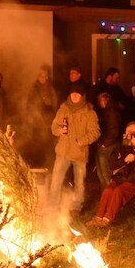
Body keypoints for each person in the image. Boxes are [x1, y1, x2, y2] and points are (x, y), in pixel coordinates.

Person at [49, 82, 100, 216]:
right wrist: (59, 130)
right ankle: (53, 205)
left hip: (79, 153)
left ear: (82, 96)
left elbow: (95, 132)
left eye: (78, 94)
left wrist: (82, 141)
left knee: (79, 182)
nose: (75, 96)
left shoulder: (89, 112)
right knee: (56, 179)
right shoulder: (63, 109)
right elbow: (53, 127)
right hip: (63, 151)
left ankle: (76, 207)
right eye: (73, 93)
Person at [87, 122, 135, 227]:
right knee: (107, 191)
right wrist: (124, 161)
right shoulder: (120, 147)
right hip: (119, 178)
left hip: (134, 180)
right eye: (128, 131)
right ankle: (98, 217)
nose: (129, 134)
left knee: (118, 191)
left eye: (133, 132)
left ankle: (107, 219)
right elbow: (112, 165)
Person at [24, 66, 59, 168]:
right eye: (41, 76)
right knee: (37, 146)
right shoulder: (33, 89)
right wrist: (30, 121)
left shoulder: (50, 89)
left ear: (47, 77)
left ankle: (47, 166)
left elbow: (54, 105)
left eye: (45, 76)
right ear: (38, 76)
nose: (43, 78)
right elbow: (29, 105)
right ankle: (38, 166)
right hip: (36, 124)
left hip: (47, 123)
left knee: (47, 146)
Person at [94, 92, 123, 189]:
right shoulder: (107, 111)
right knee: (101, 172)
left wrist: (104, 143)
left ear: (105, 100)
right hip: (105, 143)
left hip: (109, 145)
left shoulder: (112, 112)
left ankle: (109, 192)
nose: (99, 103)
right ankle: (105, 192)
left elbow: (114, 131)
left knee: (105, 172)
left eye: (100, 101)